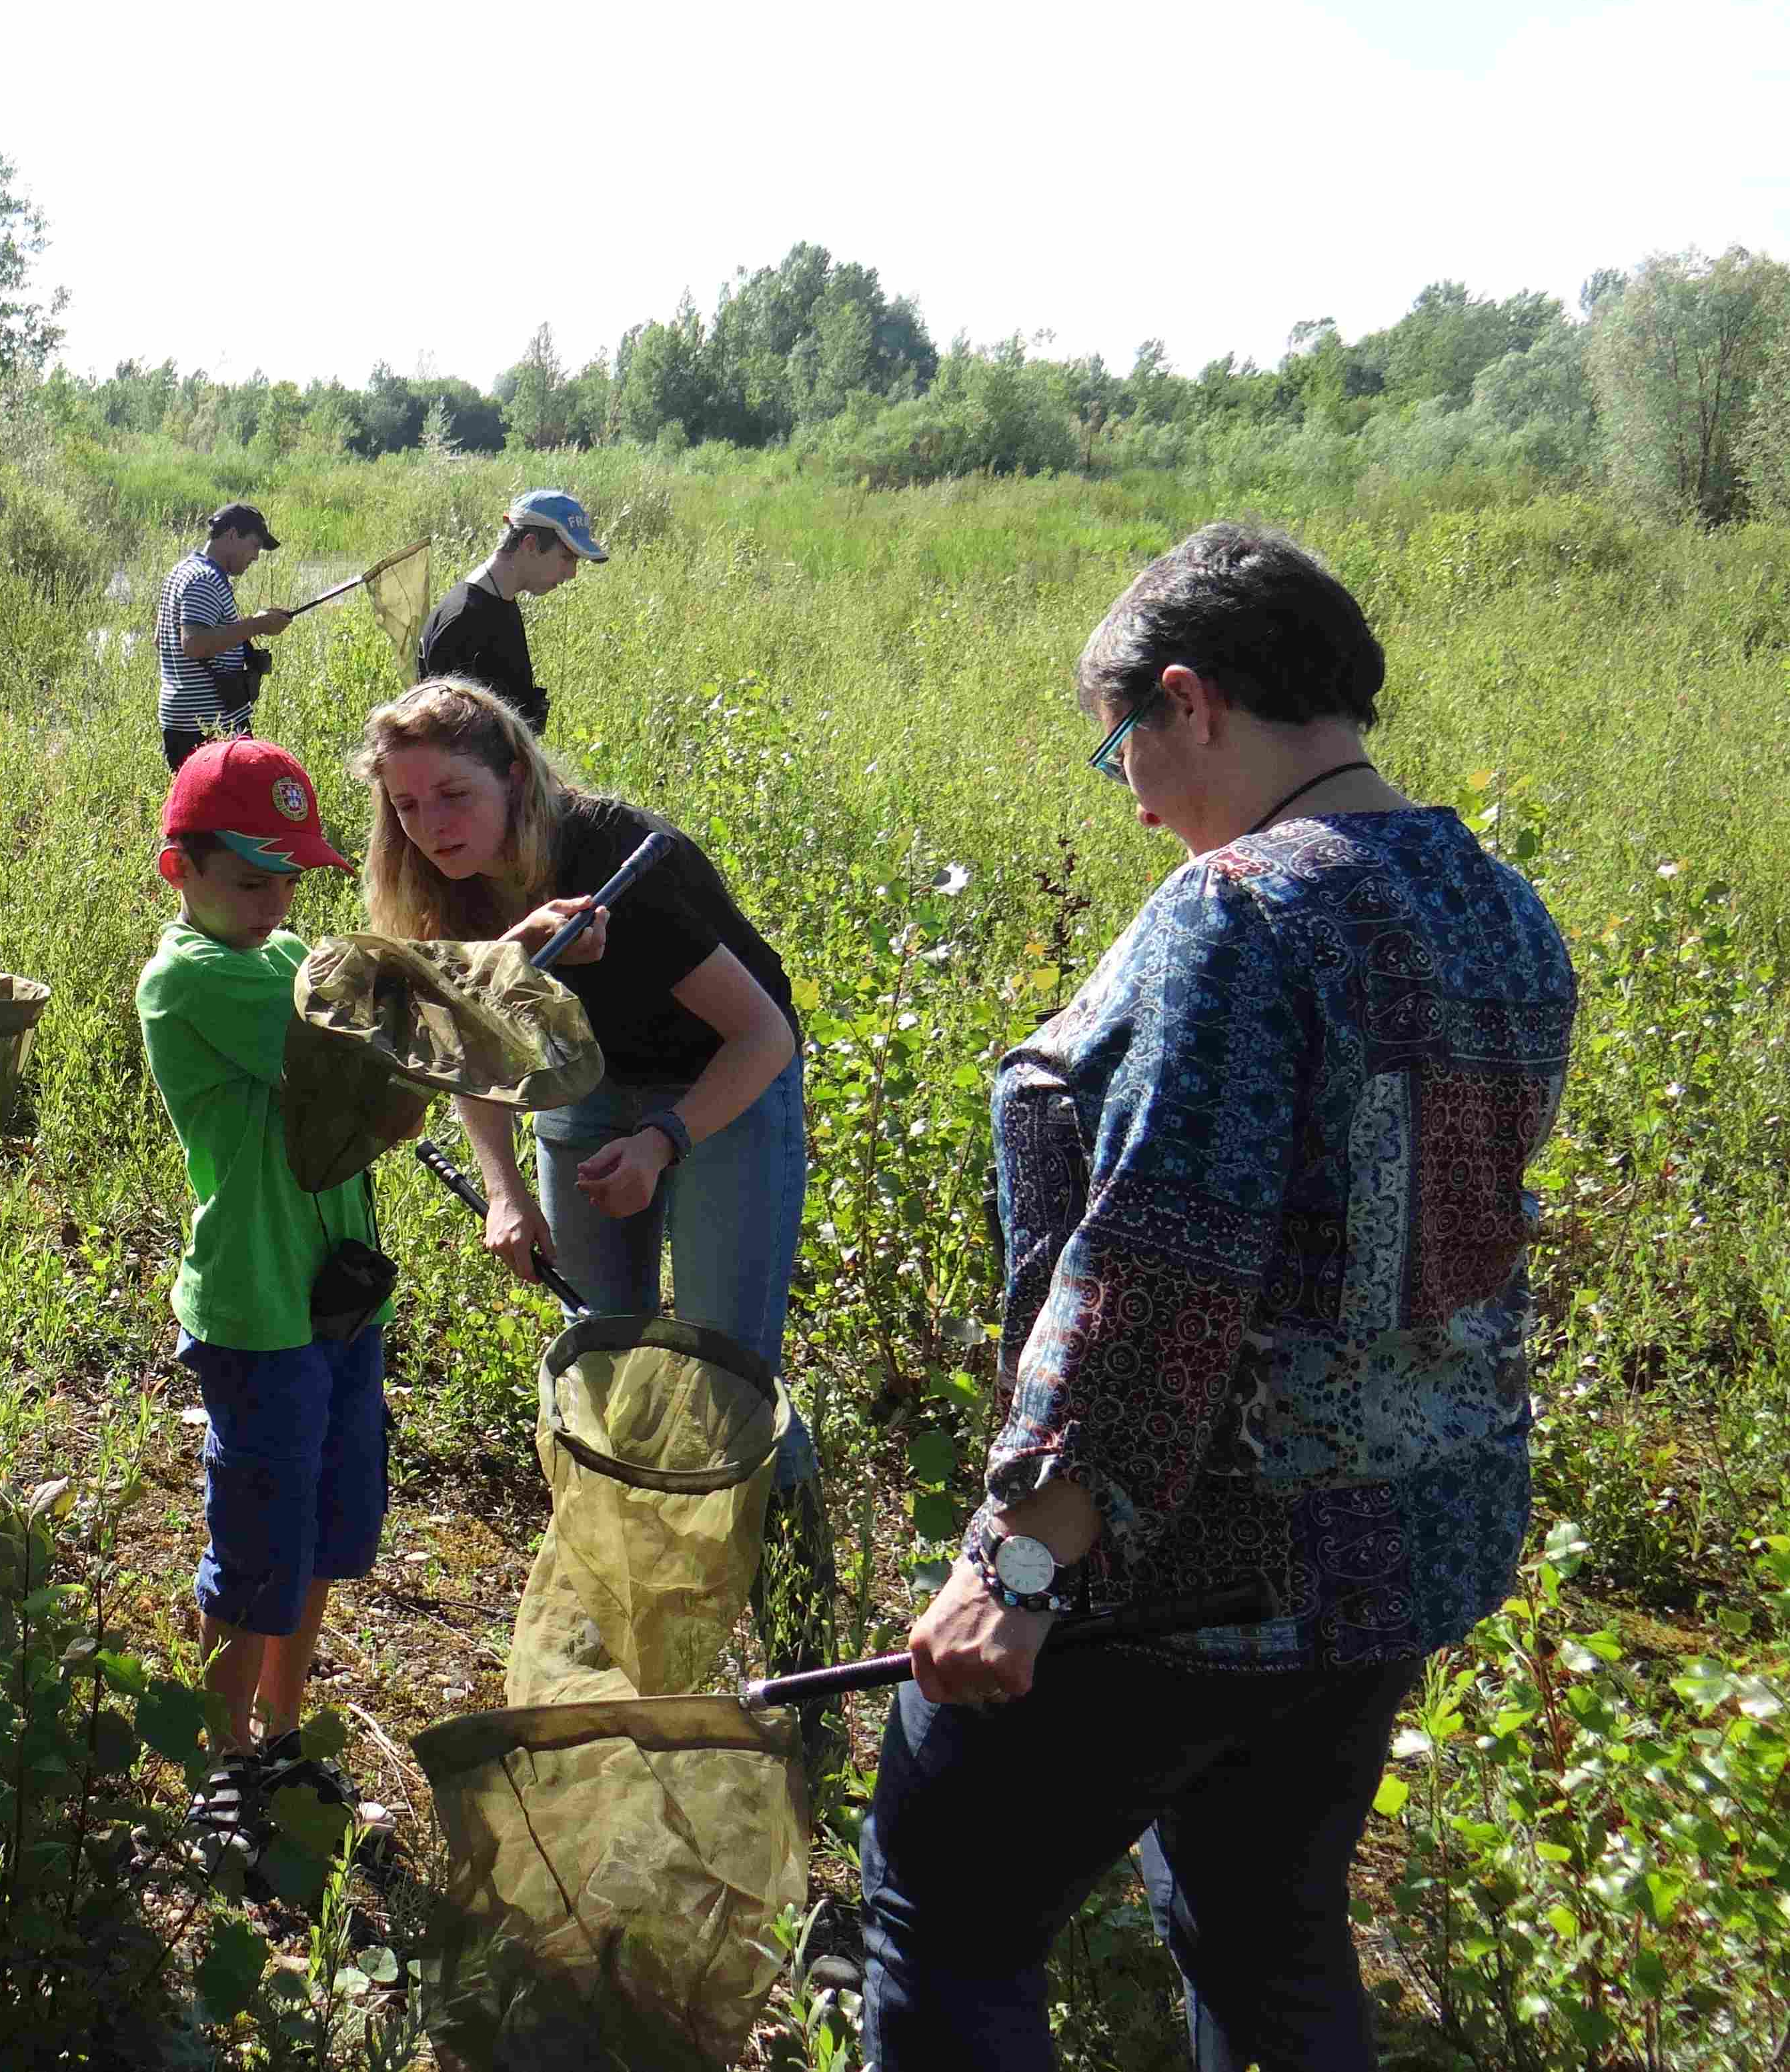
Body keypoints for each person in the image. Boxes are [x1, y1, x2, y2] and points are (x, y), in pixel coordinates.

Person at [857, 525, 1578, 2072]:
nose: (1120, 786)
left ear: (1185, 700)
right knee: (1264, 1918)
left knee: (941, 1892)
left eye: (1117, 738)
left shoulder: (1237, 908)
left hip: (1196, 1555)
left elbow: (1161, 1256)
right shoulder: (1497, 904)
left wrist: (1024, 1555)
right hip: (1406, 1542)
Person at [353, 677, 814, 1484]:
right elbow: (470, 1046)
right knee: (600, 1351)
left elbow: (765, 1034)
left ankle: (785, 1571)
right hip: (588, 1085)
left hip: (724, 1079)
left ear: (517, 778)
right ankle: (630, 1561)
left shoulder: (616, 857)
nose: (431, 826)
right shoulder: (443, 891)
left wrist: (662, 1141)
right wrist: (503, 1190)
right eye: (408, 806)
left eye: (454, 794)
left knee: (726, 1368)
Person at [135, 738, 417, 1885]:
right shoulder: (193, 976)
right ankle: (222, 1756)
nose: (273, 901)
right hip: (256, 1307)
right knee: (255, 1544)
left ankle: (285, 1739)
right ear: (180, 870)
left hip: (333, 1299)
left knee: (324, 1528)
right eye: (249, 878)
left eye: (290, 877)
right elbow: (364, 1066)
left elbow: (378, 1052)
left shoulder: (292, 949)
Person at [414, 488, 606, 734]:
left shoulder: (501, 601)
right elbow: (447, 746)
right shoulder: (463, 619)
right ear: (530, 545)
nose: (572, 574)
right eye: (567, 558)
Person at [155, 501, 291, 772]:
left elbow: (160, 639)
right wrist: (256, 626)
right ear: (231, 536)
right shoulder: (205, 579)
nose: (256, 556)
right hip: (208, 726)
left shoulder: (181, 571)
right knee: (230, 809)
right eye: (254, 546)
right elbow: (193, 644)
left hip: (185, 720)